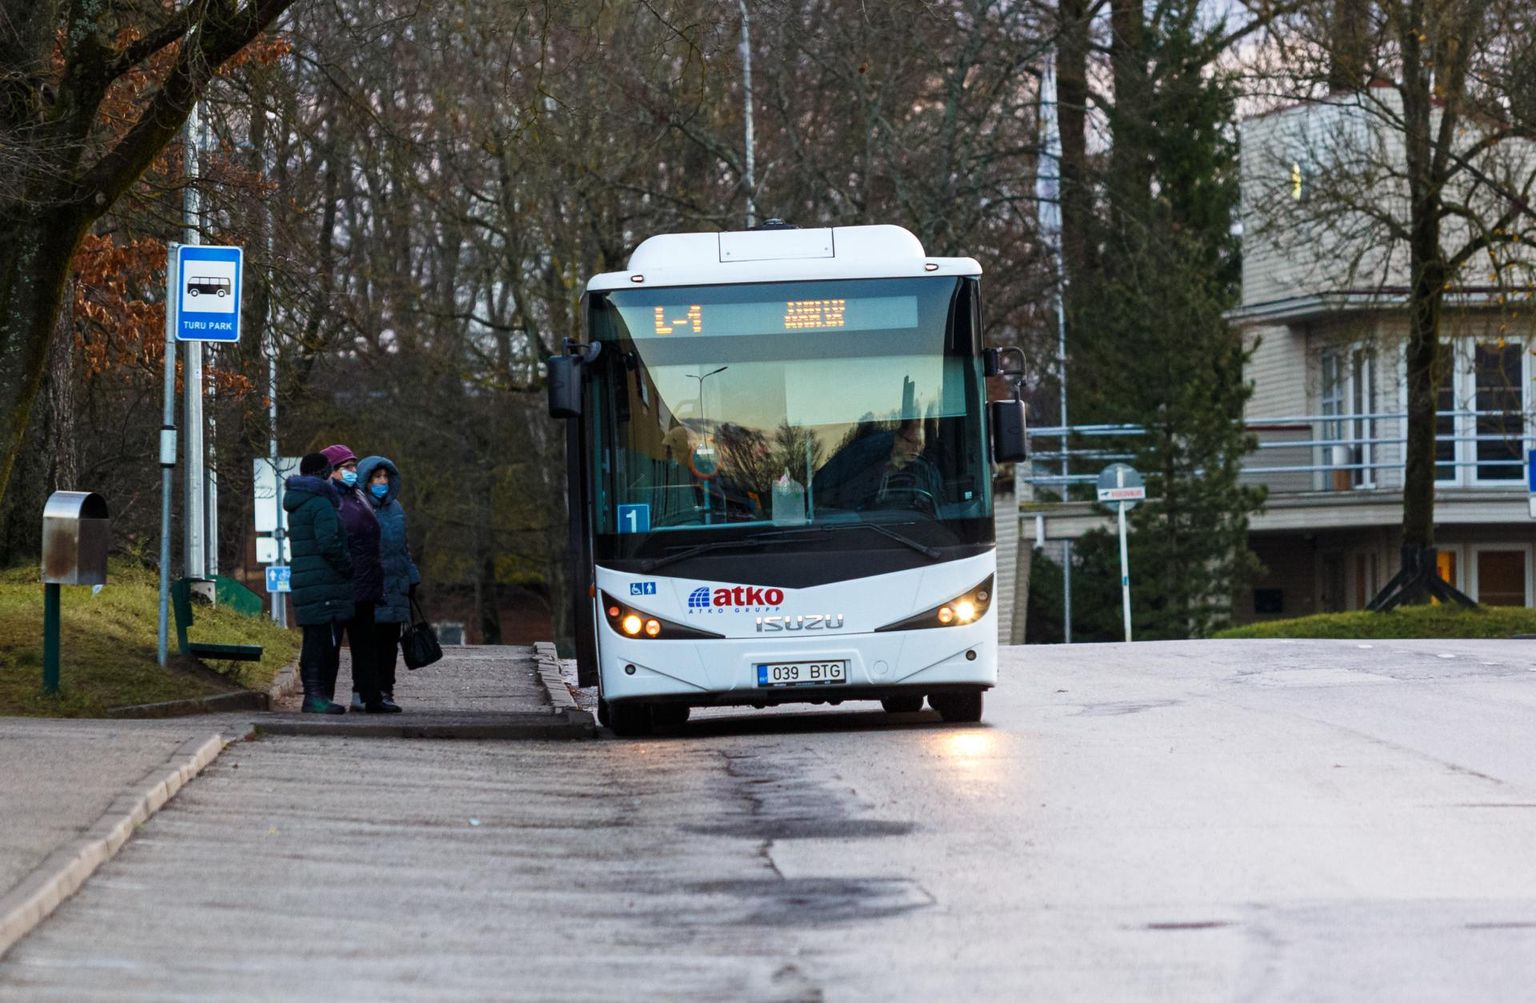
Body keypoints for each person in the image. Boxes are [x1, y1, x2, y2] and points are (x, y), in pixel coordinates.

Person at [320, 443, 398, 713]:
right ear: (331, 471)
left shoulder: (357, 495)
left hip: (364, 582)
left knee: (366, 645)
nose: (353, 471)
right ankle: (324, 696)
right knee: (330, 647)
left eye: (354, 466)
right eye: (346, 467)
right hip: (339, 583)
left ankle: (367, 696)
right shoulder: (328, 498)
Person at [283, 452, 353, 714]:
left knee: (313, 639)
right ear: (324, 473)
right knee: (323, 643)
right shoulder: (321, 504)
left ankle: (314, 695)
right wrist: (348, 565)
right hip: (324, 583)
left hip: (306, 582)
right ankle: (317, 696)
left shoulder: (298, 503)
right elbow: (329, 544)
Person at [354, 455, 421, 711]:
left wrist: (411, 574)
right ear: (367, 480)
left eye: (385, 477)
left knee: (389, 644)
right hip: (372, 585)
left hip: (395, 585)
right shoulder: (360, 507)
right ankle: (366, 690)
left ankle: (386, 689)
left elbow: (403, 547)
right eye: (376, 477)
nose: (382, 481)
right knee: (369, 642)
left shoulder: (396, 509)